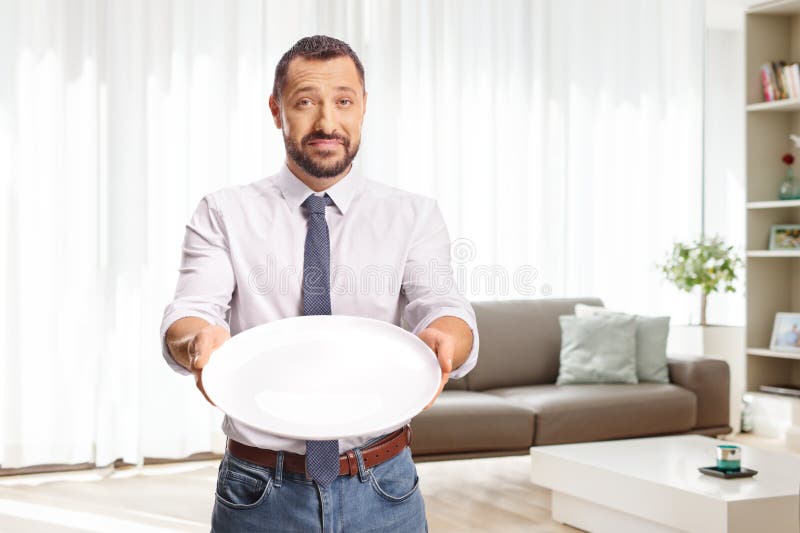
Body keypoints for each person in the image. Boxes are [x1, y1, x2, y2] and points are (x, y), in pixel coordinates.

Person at [160, 35, 479, 533]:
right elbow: (191, 310)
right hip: (259, 489)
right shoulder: (223, 212)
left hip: (384, 485)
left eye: (344, 102)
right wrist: (197, 340)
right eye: (306, 102)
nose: (327, 122)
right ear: (276, 109)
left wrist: (447, 337)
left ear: (363, 107)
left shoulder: (412, 215)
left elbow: (441, 305)